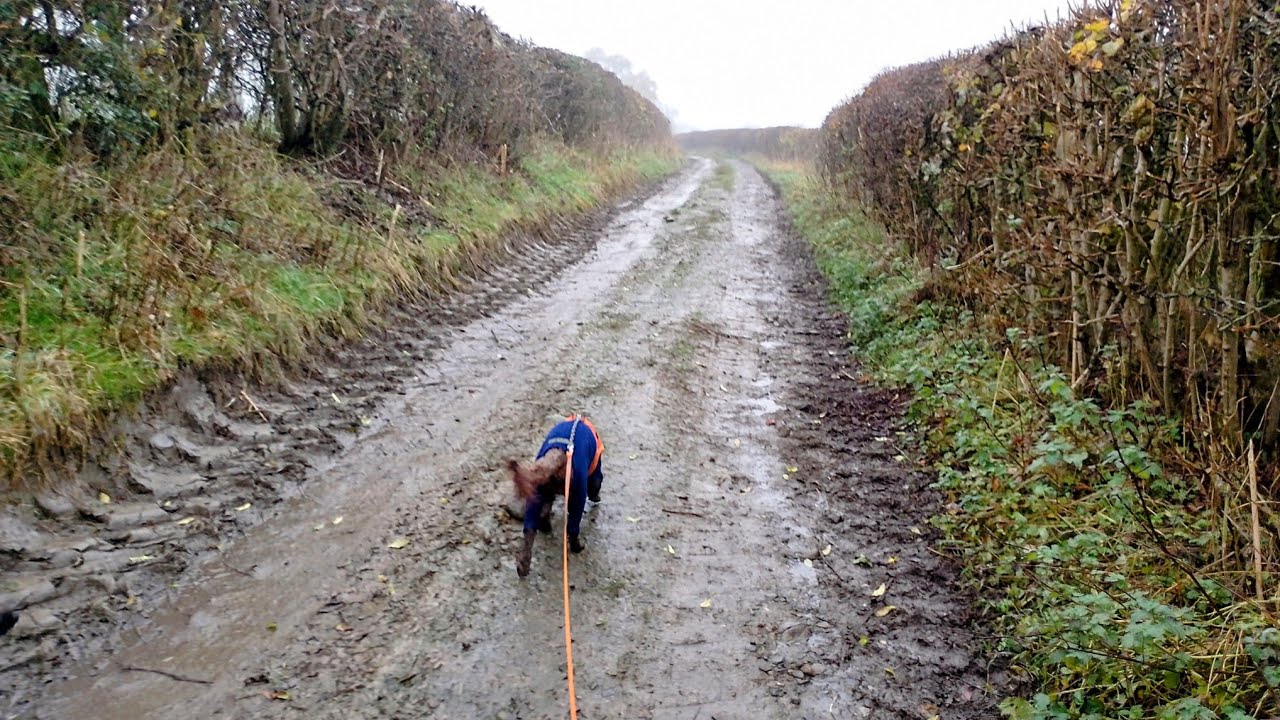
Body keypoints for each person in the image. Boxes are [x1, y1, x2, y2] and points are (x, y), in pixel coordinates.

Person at [508, 415, 604, 577]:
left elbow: (537, 492)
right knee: (588, 487)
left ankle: (529, 549)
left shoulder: (546, 460)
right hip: (571, 468)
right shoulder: (590, 445)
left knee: (539, 493)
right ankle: (572, 538)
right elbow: (581, 498)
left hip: (549, 461)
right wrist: (574, 536)